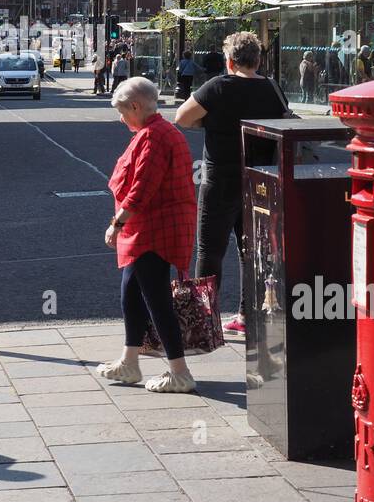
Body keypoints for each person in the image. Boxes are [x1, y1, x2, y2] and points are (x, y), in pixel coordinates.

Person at [176, 31, 291, 335]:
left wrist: (212, 121)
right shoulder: (272, 88)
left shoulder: (218, 87)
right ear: (259, 59)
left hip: (220, 177)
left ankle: (205, 320)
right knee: (252, 249)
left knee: (209, 250)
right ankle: (249, 315)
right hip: (260, 178)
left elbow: (183, 118)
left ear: (229, 60)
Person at [96, 76, 198, 394]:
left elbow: (142, 187)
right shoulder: (154, 131)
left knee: (156, 299)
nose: (121, 117)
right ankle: (129, 362)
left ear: (136, 106)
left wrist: (118, 222)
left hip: (155, 229)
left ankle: (179, 371)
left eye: (123, 111)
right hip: (150, 226)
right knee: (131, 294)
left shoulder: (155, 136)